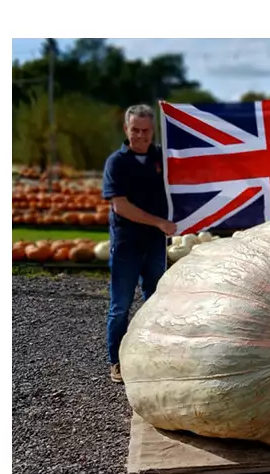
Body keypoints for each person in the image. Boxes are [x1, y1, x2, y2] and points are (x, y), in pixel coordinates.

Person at [102, 104, 177, 383]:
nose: (141, 136)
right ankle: (116, 362)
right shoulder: (116, 163)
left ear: (153, 130)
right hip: (127, 245)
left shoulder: (164, 158)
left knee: (156, 302)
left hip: (156, 244)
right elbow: (120, 206)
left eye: (146, 130)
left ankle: (151, 357)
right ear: (126, 129)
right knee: (120, 306)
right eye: (135, 130)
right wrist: (159, 222)